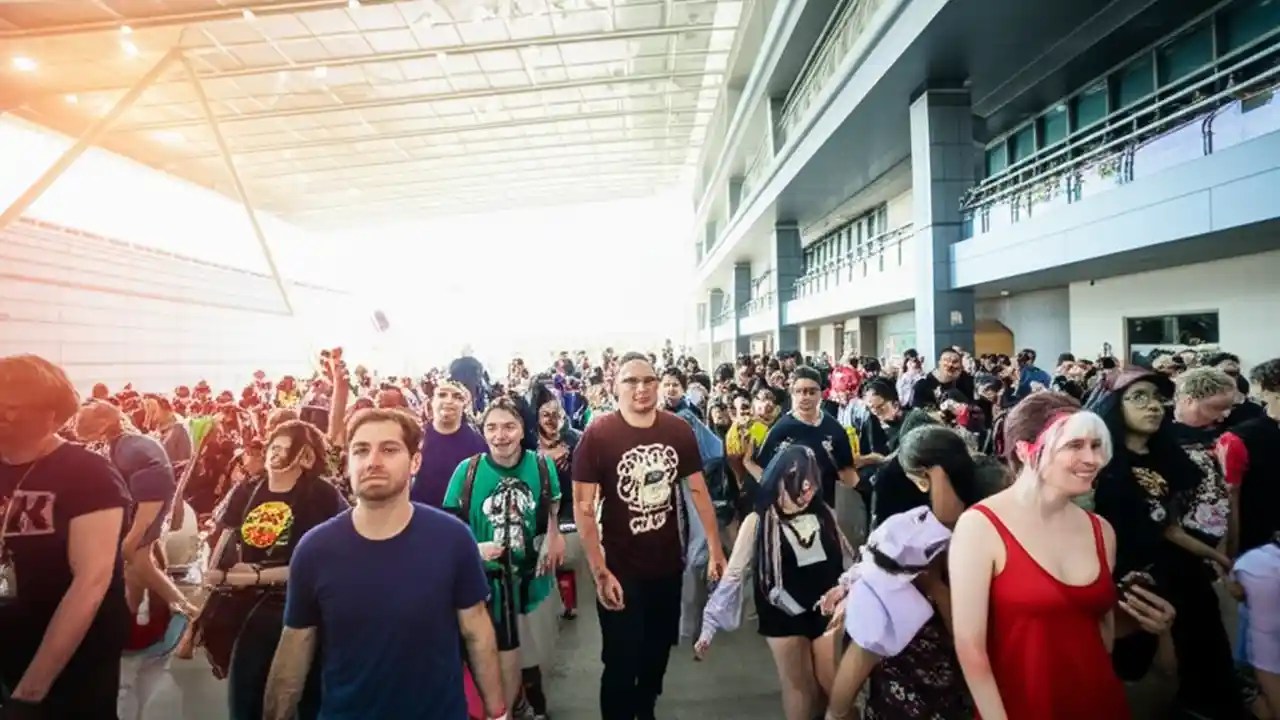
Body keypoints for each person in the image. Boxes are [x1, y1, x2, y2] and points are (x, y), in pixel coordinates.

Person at [263, 408, 506, 720]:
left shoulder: (453, 539)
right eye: (361, 450)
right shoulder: (314, 551)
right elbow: (294, 651)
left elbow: (477, 631)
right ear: (347, 462)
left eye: (389, 449)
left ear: (415, 461)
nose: (373, 461)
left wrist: (497, 713)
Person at [949, 393, 1134, 719]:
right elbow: (970, 647)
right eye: (1074, 446)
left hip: (1099, 701)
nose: (1092, 459)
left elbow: (1100, 633)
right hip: (1020, 705)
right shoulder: (981, 527)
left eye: (1095, 446)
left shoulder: (1101, 531)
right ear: (1024, 449)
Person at [572, 351, 727, 720]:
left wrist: (717, 549)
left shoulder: (677, 429)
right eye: (631, 381)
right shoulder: (598, 435)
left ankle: (645, 708)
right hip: (620, 569)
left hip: (666, 566)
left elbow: (698, 490)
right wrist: (599, 571)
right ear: (615, 387)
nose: (641, 388)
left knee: (656, 653)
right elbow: (583, 507)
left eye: (648, 380)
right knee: (621, 661)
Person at [0, 354, 131, 716]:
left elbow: (91, 582)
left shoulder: (87, 473)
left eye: (12, 407)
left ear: (51, 415)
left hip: (68, 672)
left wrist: (29, 694)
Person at [695, 445, 848, 720]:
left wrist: (848, 593)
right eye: (796, 480)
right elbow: (733, 575)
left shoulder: (825, 514)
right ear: (778, 478)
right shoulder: (758, 521)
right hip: (781, 613)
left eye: (810, 481)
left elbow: (849, 562)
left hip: (828, 608)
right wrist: (710, 623)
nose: (805, 489)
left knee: (834, 686)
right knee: (800, 687)